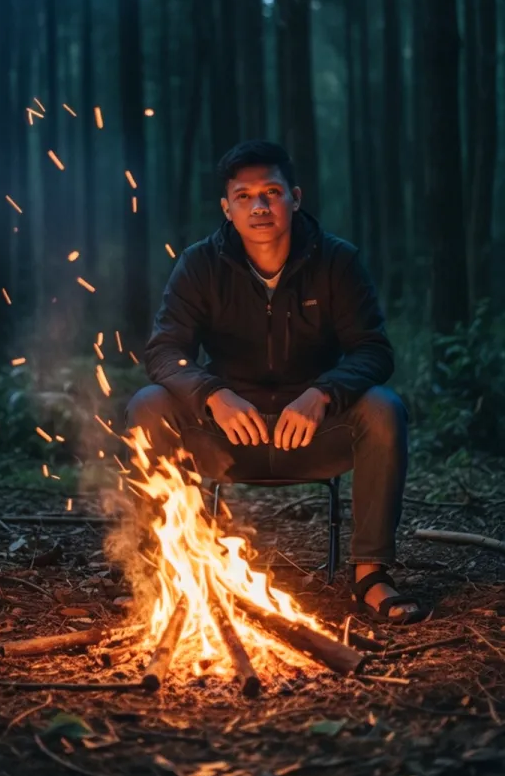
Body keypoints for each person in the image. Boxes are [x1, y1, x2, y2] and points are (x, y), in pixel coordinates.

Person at [126, 140, 427, 626]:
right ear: (226, 208)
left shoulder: (336, 262)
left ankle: (371, 575)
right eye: (243, 196)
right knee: (148, 404)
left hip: (313, 436)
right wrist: (212, 394)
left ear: (295, 197)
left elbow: (373, 350)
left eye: (271, 192)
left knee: (383, 408)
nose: (259, 206)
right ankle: (164, 573)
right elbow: (164, 351)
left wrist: (322, 393)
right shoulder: (200, 265)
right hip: (227, 438)